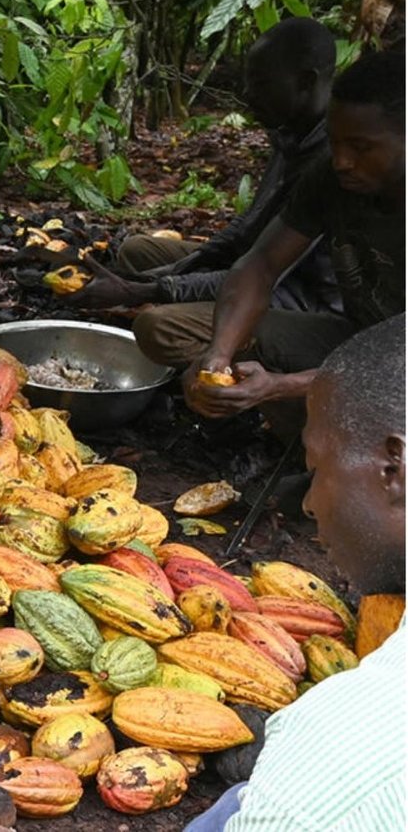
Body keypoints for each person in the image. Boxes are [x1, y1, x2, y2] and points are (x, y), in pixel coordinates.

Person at [183, 314, 405, 832]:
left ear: (394, 469)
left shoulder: (340, 746)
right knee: (233, 802)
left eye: (316, 467)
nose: (308, 503)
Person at [65, 19, 346, 370]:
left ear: (305, 82)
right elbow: (249, 228)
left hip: (298, 301)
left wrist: (148, 290)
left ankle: (246, 373)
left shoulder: (336, 159)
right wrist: (171, 271)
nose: (247, 94)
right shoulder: (291, 134)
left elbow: (264, 275)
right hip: (255, 266)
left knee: (158, 328)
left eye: (260, 84)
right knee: (138, 251)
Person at [183, 49, 404, 421]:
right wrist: (219, 352)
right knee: (216, 334)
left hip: (398, 370)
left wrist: (282, 386)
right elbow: (262, 263)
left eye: (361, 147)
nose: (342, 161)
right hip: (356, 337)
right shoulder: (330, 177)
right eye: (335, 142)